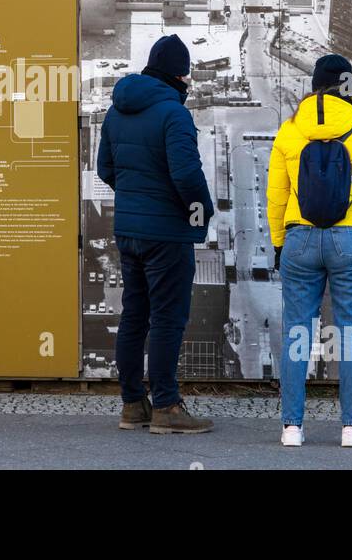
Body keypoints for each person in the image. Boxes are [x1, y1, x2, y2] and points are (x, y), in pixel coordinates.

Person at [266, 54, 352, 448]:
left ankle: (291, 428)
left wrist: (278, 242)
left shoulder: (289, 132)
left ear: (313, 87)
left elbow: (276, 197)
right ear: (348, 88)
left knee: (296, 332)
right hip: (351, 240)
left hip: (300, 239)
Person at [97, 34, 216, 434]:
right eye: (185, 73)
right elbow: (185, 174)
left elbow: (106, 170)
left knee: (135, 314)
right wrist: (202, 210)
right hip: (166, 232)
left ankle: (133, 405)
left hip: (129, 229)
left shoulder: (116, 111)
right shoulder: (173, 114)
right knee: (167, 318)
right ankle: (166, 407)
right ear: (177, 74)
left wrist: (135, 197)